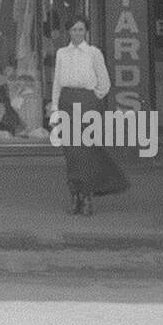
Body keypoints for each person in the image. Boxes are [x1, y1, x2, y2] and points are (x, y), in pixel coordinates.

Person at [48, 15, 129, 215]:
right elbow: (57, 82)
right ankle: (75, 195)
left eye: (81, 30)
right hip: (67, 100)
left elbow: (104, 82)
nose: (77, 33)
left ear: (86, 32)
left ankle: (87, 196)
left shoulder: (94, 53)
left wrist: (94, 98)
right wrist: (56, 108)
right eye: (74, 29)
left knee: (85, 150)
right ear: (69, 31)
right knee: (71, 152)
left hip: (86, 102)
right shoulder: (61, 53)